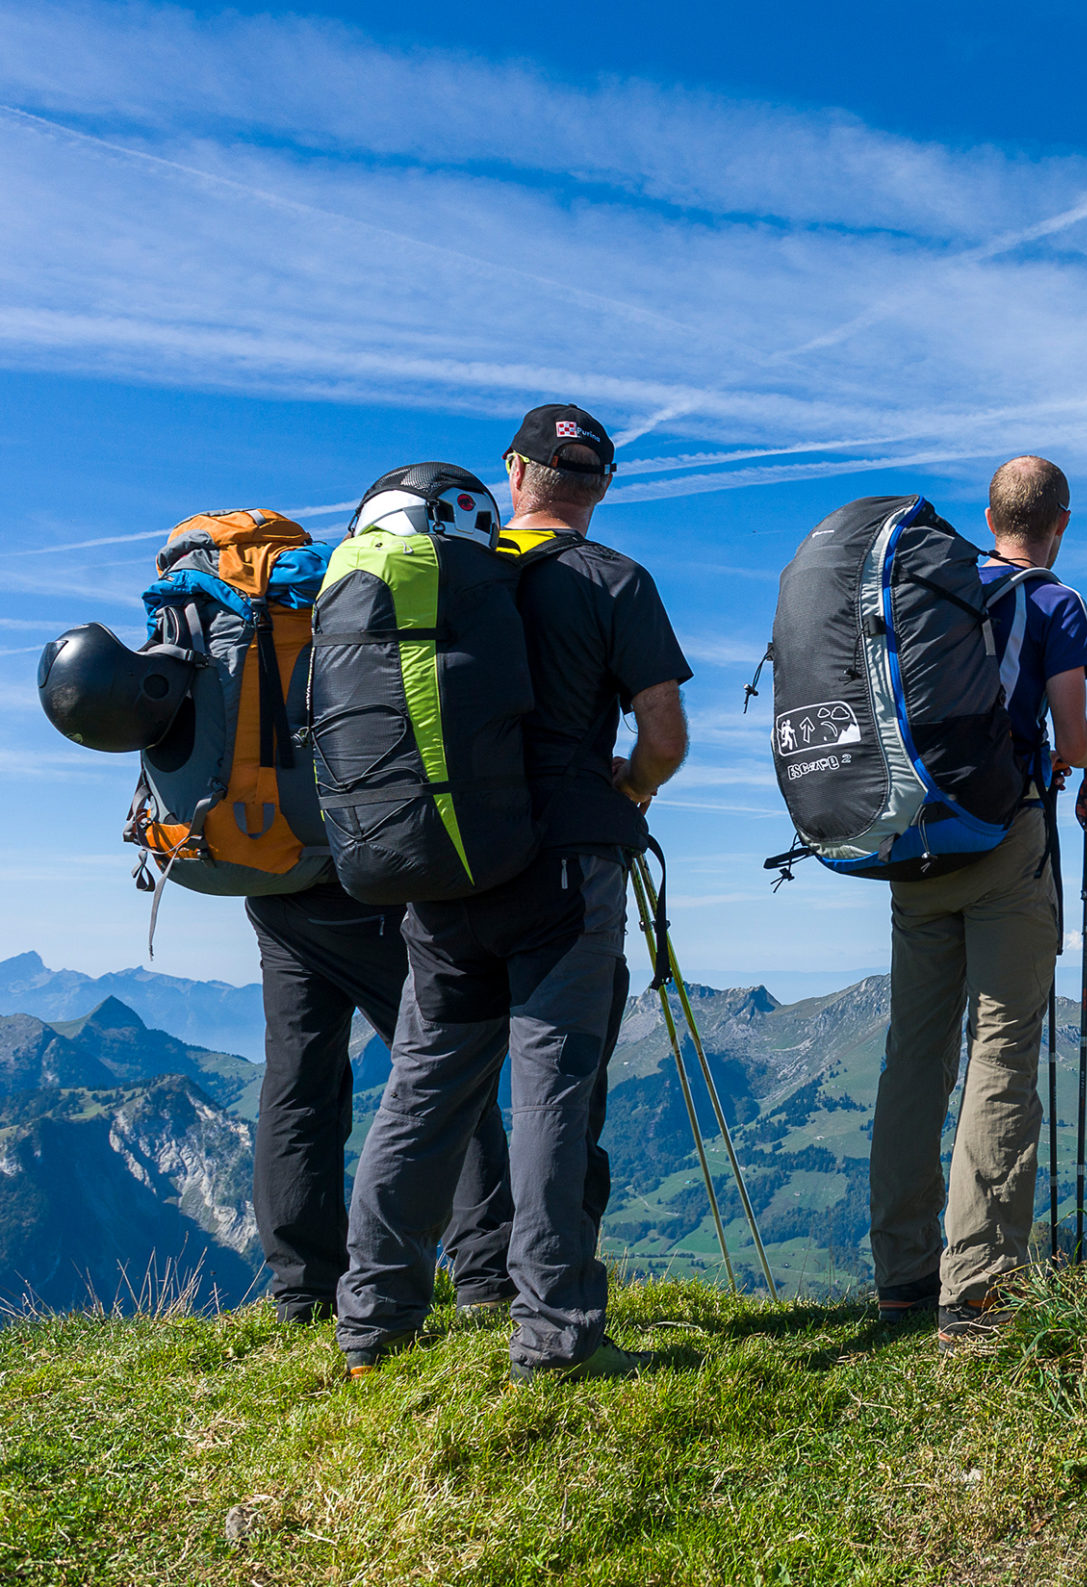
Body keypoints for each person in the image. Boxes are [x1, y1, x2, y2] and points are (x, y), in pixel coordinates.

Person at [336, 405, 692, 1381]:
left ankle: (373, 1324)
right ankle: (555, 1338)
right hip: (567, 872)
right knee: (552, 1098)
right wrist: (630, 786)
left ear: (513, 472)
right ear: (602, 485)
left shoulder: (448, 577)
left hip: (444, 868)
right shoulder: (611, 580)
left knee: (421, 1092)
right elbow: (662, 735)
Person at [871, 456, 1087, 1346]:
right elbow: (1075, 735)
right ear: (1061, 521)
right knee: (1001, 1054)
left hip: (914, 842)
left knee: (914, 1054)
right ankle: (976, 1291)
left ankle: (899, 1274)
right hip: (1004, 839)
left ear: (986, 514)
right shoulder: (1052, 601)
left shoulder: (928, 592)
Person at [247, 882, 512, 1325]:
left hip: (276, 886)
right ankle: (485, 1279)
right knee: (452, 1069)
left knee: (296, 1093)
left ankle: (304, 1295)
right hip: (368, 886)